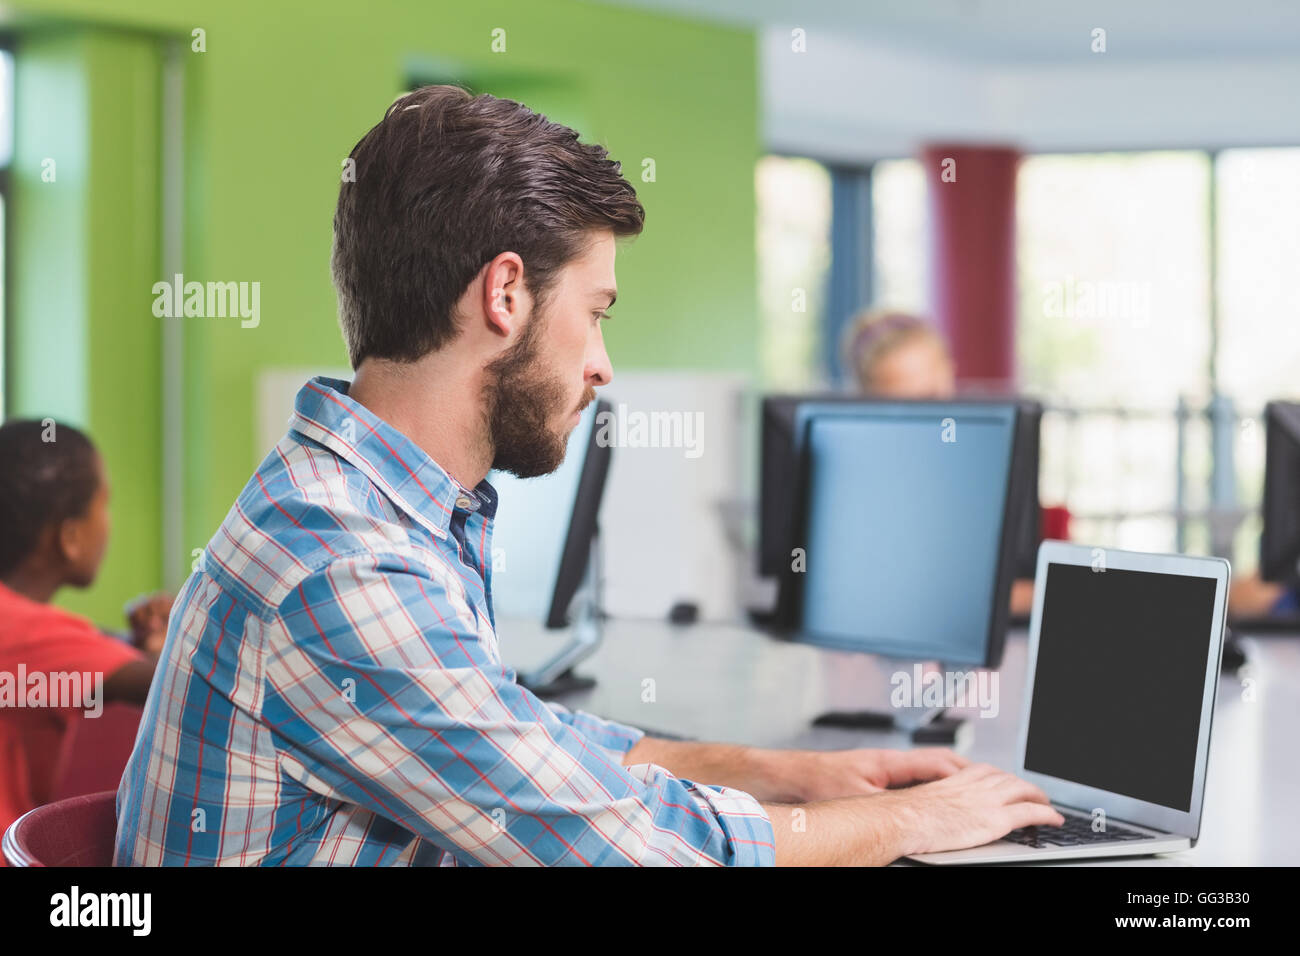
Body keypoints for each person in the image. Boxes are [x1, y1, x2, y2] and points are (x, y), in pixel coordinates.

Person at [115, 85, 1062, 867]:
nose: (603, 364)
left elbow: (519, 743)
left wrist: (784, 773)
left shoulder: (360, 505)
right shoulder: (341, 563)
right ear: (506, 292)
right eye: (598, 311)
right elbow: (624, 851)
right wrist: (915, 823)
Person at [0, 420, 165, 842]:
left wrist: (140, 644)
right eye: (103, 504)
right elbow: (170, 681)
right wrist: (185, 626)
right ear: (69, 536)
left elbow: (86, 649)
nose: (108, 523)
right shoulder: (25, 631)